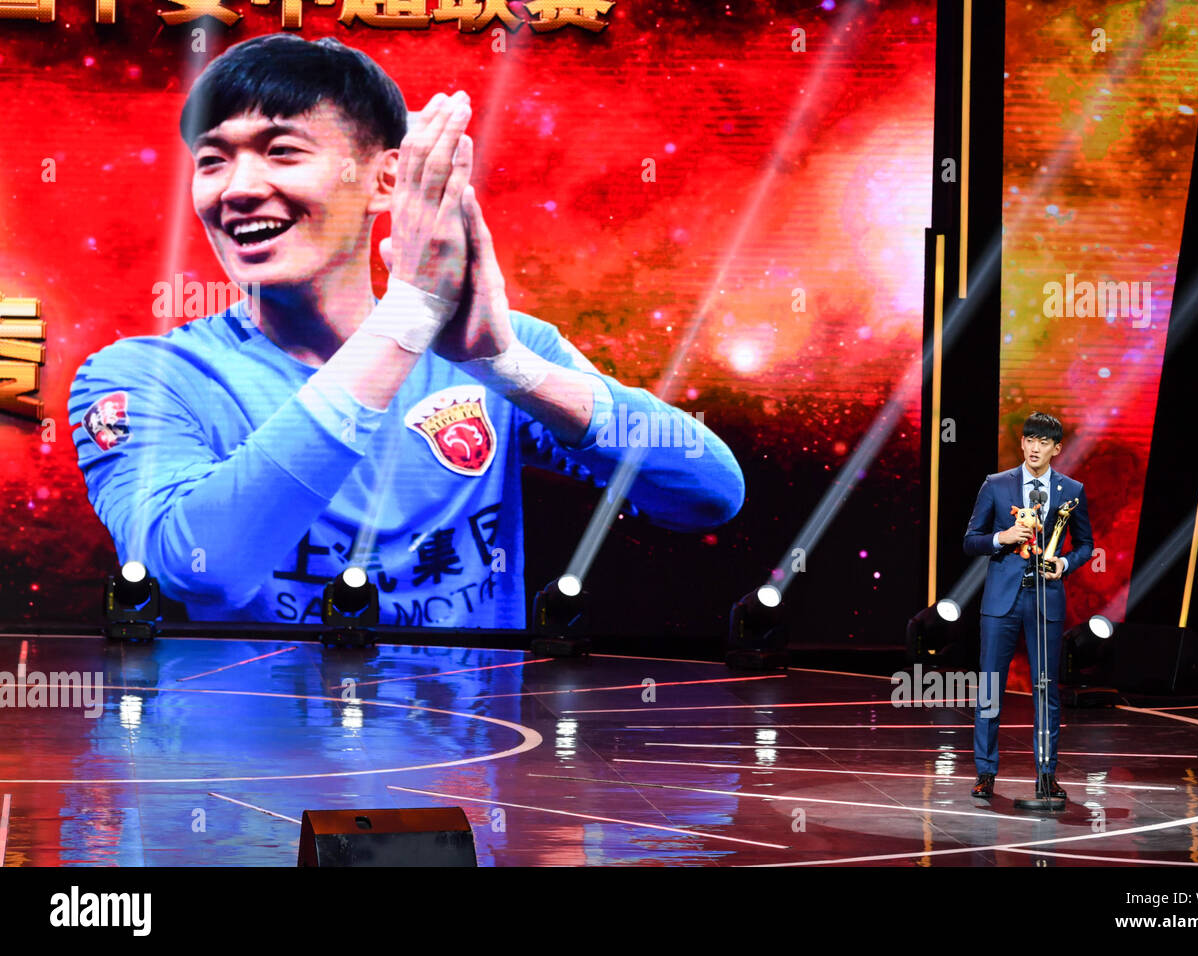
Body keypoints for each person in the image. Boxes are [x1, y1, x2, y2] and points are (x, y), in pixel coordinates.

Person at [67, 35, 744, 628]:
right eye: (213, 160)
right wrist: (406, 320)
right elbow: (202, 568)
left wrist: (511, 369)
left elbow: (709, 494)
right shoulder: (139, 379)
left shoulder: (490, 351)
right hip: (242, 774)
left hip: (464, 770)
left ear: (386, 179)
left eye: (281, 151)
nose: (237, 188)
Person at [961, 411, 1093, 800]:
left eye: (1043, 442)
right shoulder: (996, 485)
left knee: (1046, 689)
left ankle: (1047, 772)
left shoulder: (1072, 490)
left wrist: (1064, 563)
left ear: (1057, 449)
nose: (1035, 447)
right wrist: (1003, 537)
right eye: (1029, 439)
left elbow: (1085, 544)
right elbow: (971, 540)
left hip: (1046, 599)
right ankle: (985, 772)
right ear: (1021, 443)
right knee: (990, 688)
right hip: (1001, 599)